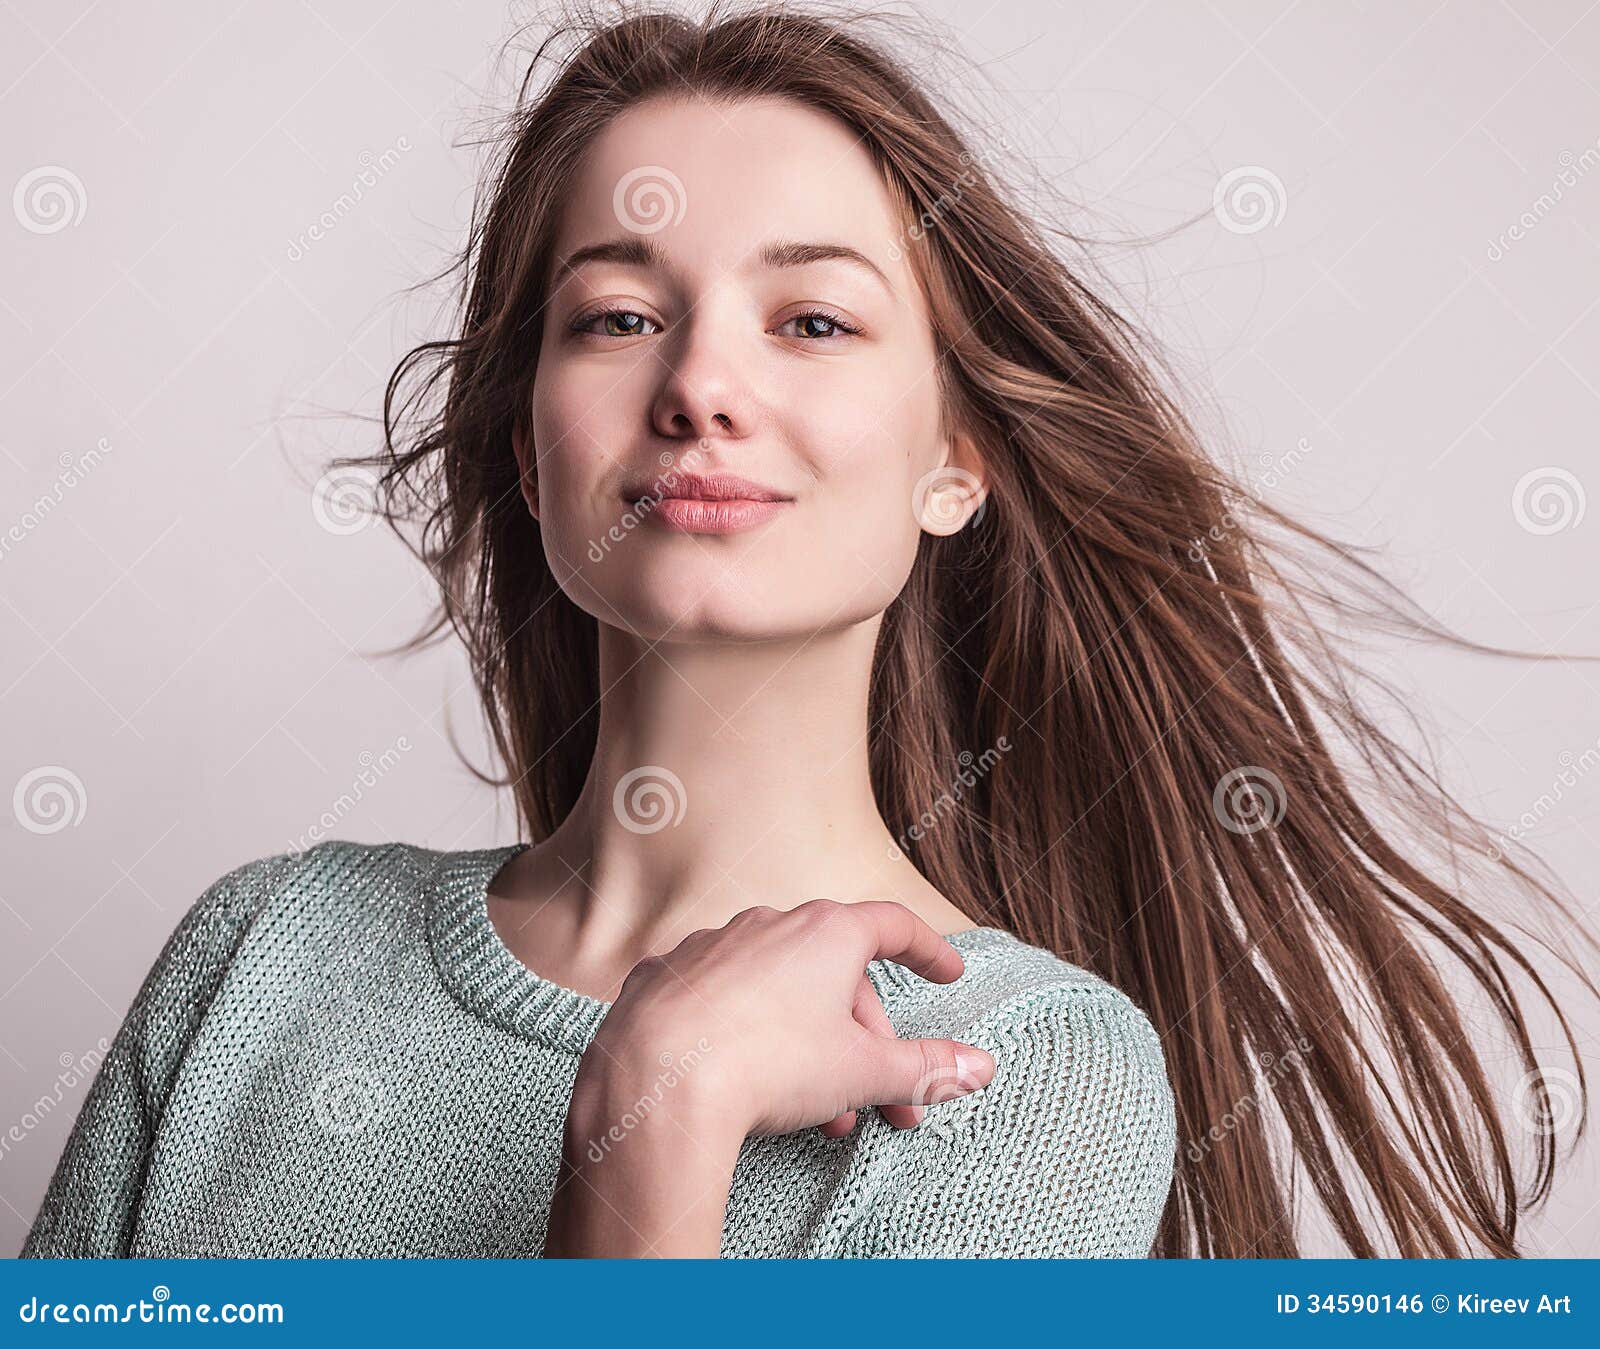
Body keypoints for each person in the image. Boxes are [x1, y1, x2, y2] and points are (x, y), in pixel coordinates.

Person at [21, 1, 1595, 1260]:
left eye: (813, 322)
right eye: (620, 315)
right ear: (528, 449)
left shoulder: (1020, 1071)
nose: (702, 384)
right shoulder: (263, 955)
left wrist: (658, 1122)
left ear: (954, 463)